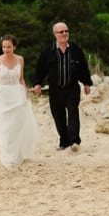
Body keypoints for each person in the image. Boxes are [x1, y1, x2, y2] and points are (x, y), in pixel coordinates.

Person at [32, 22, 92, 152]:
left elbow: (83, 68)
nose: (65, 34)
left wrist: (87, 83)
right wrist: (37, 83)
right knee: (58, 116)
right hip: (55, 89)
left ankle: (74, 140)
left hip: (72, 88)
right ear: (55, 34)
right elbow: (40, 69)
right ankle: (64, 141)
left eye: (66, 31)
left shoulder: (75, 49)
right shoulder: (48, 51)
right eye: (61, 32)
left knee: (72, 112)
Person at [0, 34, 38, 167]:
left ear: (14, 47)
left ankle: (17, 155)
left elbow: (21, 79)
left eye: (9, 47)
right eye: (4, 47)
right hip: (3, 95)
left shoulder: (20, 59)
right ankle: (7, 156)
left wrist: (25, 92)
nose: (6, 49)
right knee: (5, 127)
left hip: (17, 93)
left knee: (17, 126)